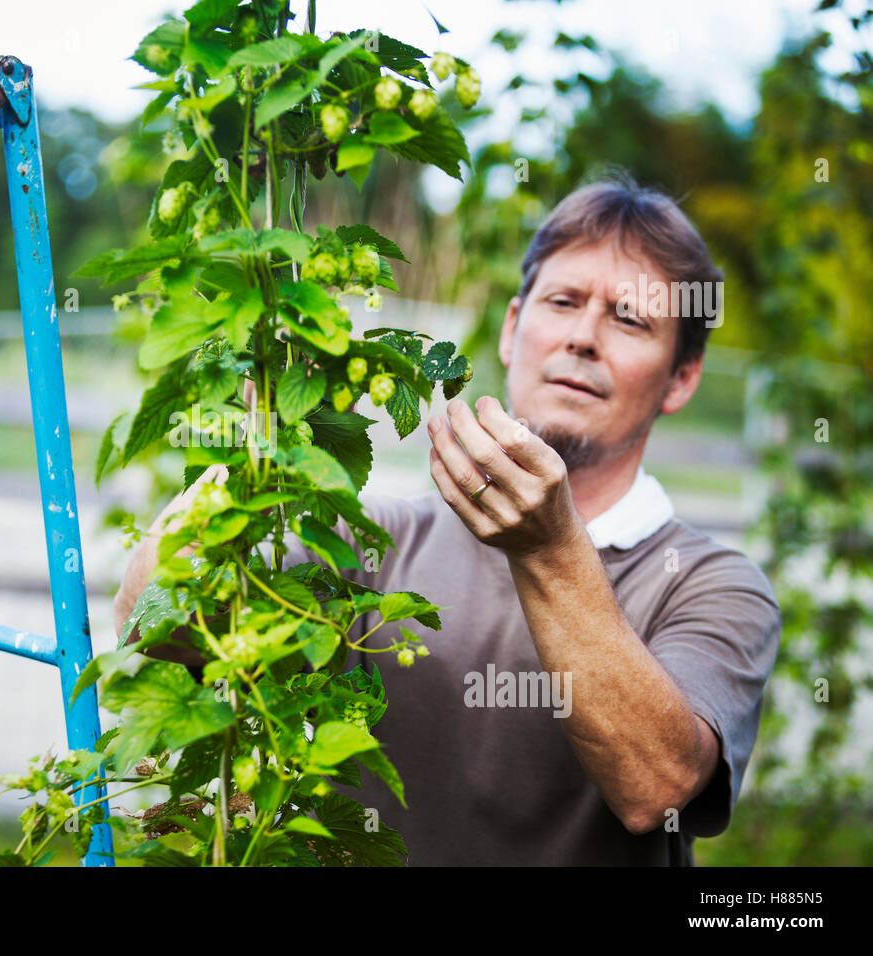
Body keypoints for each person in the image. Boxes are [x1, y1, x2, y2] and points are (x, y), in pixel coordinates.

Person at [114, 173, 781, 865]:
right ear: (513, 327)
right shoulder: (372, 538)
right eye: (563, 301)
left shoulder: (713, 587)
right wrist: (256, 441)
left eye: (631, 318)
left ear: (681, 378)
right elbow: (156, 627)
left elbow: (656, 788)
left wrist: (551, 550)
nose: (584, 337)